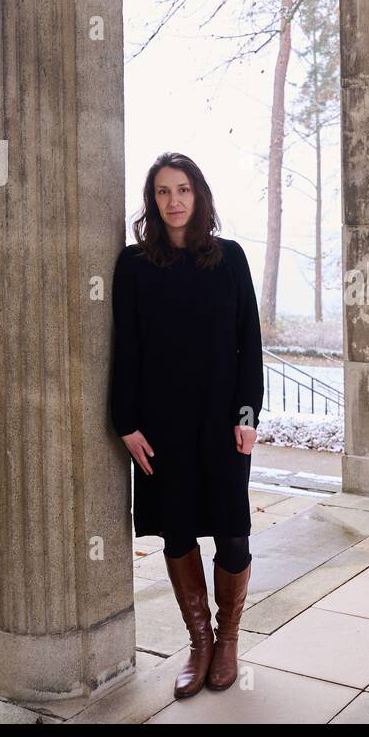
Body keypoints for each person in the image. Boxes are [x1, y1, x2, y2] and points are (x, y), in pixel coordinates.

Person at [110, 151, 264, 698]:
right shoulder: (134, 264)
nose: (173, 201)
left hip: (223, 423)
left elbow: (250, 342)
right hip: (161, 424)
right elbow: (124, 346)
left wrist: (248, 416)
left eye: (182, 190)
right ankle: (199, 641)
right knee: (177, 530)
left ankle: (228, 640)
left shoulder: (230, 259)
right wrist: (125, 422)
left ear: (198, 195)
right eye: (161, 192)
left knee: (233, 530)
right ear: (152, 202)